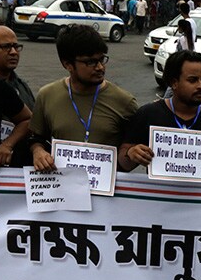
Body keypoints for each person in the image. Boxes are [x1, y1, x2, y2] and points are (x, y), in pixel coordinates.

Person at [28, 25, 138, 172]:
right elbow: (37, 139)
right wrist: (38, 152)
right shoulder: (47, 95)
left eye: (102, 59)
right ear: (68, 64)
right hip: (63, 188)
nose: (100, 67)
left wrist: (131, 154)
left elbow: (133, 149)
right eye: (90, 62)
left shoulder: (124, 102)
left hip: (107, 190)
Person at [120, 51, 201, 180]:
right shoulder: (147, 114)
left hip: (199, 198)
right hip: (158, 197)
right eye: (193, 80)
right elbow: (123, 163)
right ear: (174, 83)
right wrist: (131, 153)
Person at [0, 24, 36, 166]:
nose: (14, 52)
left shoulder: (22, 87)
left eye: (16, 46)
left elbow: (34, 125)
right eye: (6, 47)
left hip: (18, 169)